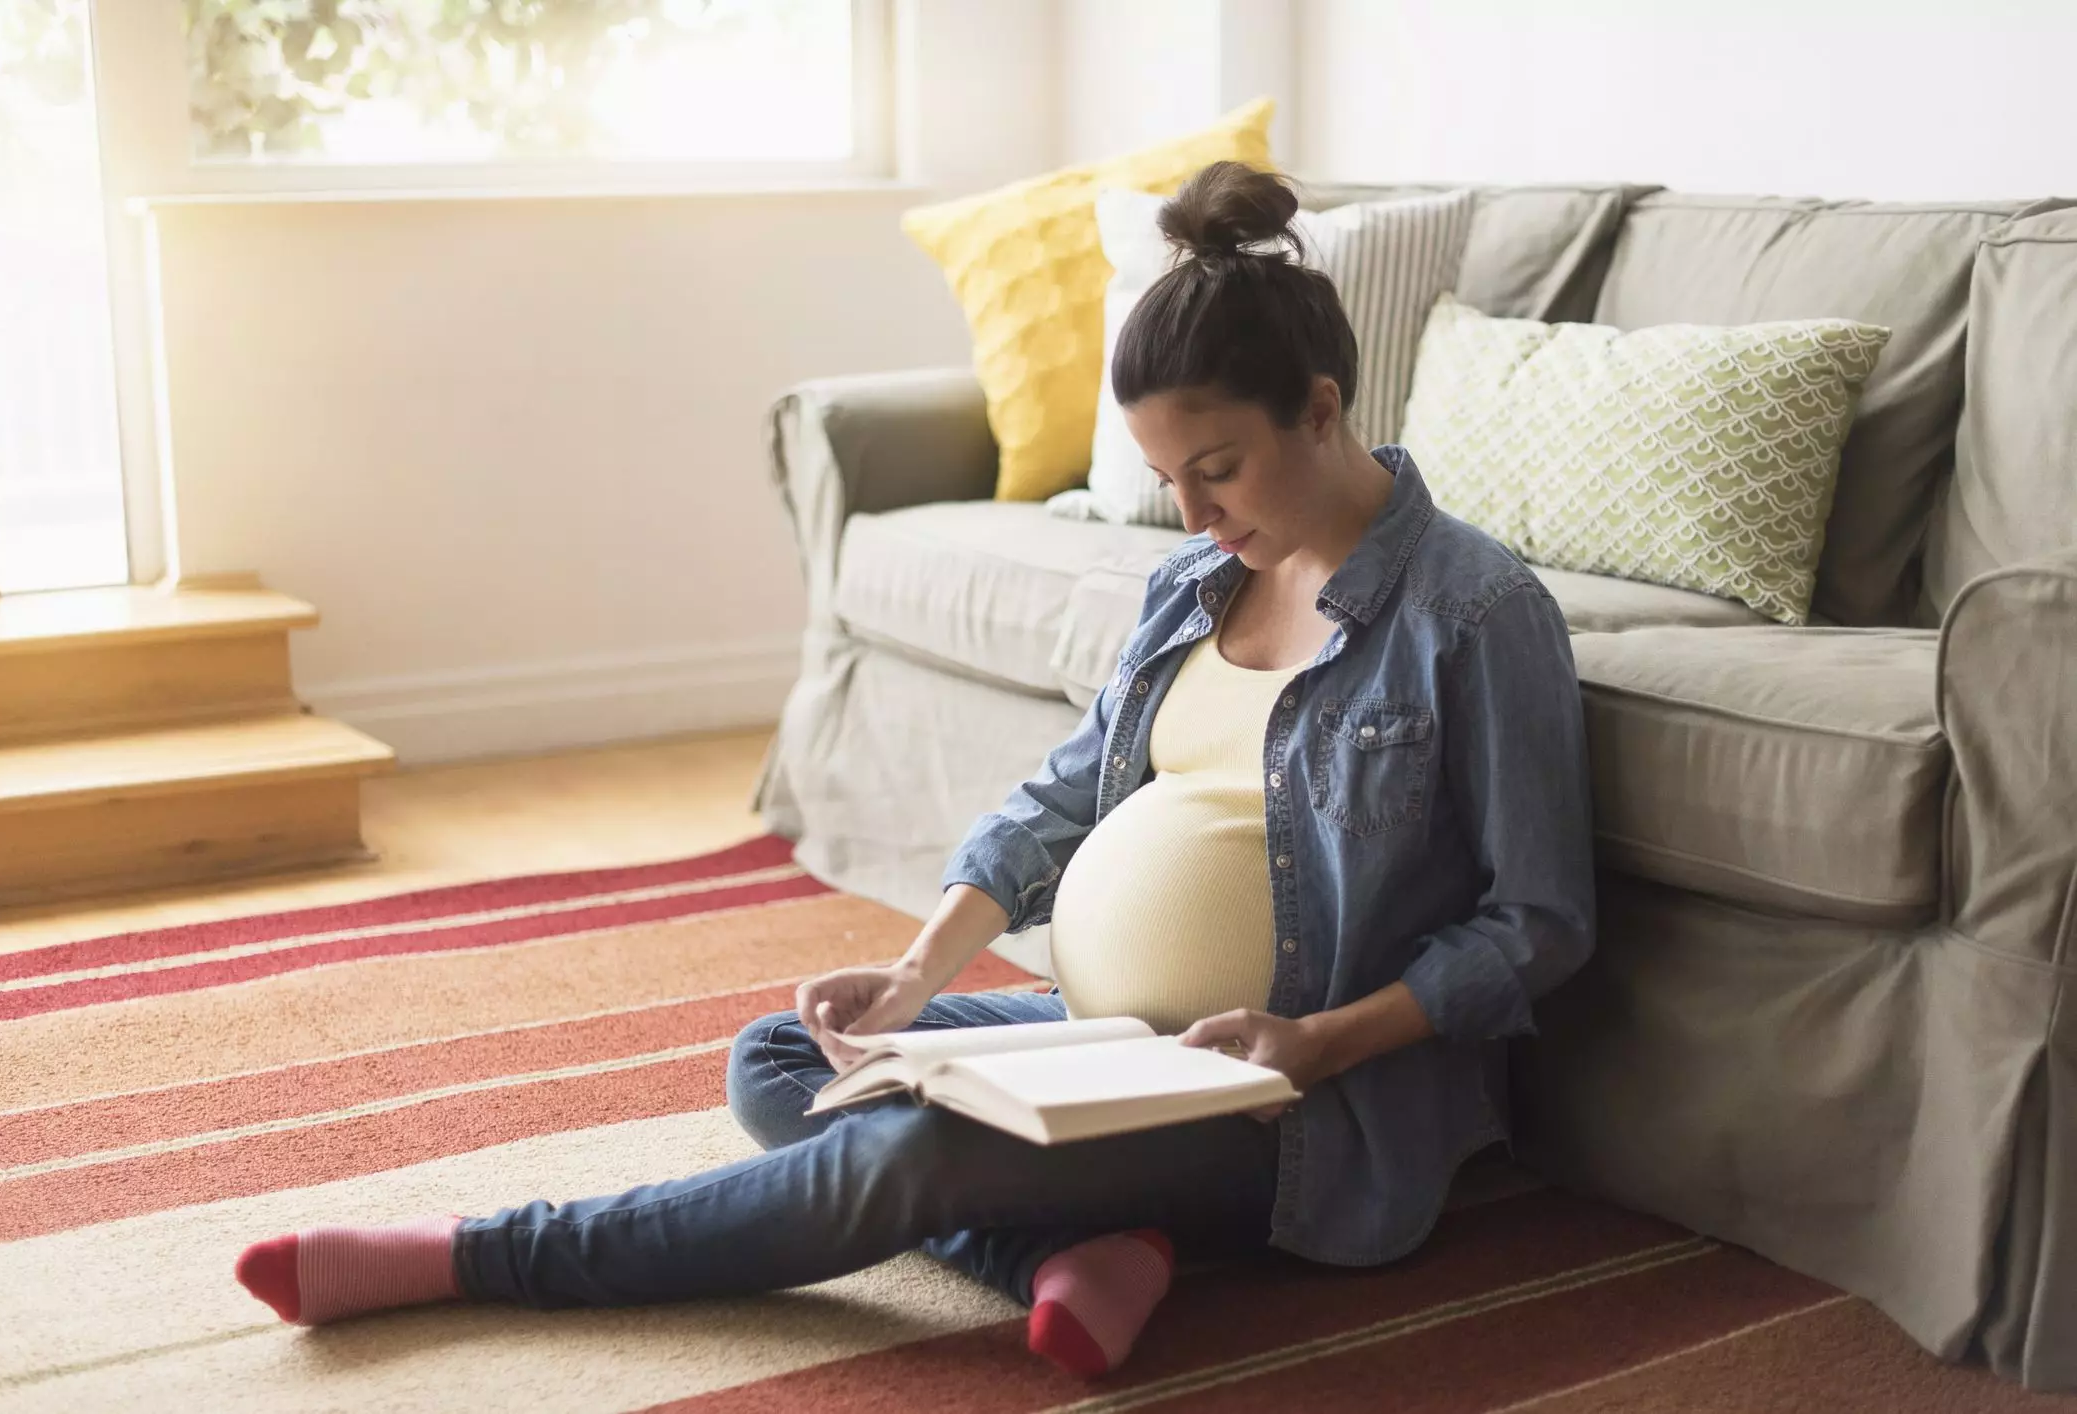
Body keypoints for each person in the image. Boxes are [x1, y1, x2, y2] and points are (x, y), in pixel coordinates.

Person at [232, 160, 1597, 1381]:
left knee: (900, 1149)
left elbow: (1533, 923)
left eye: (1218, 469)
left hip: (1291, 1098)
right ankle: (1079, 1246)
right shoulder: (1193, 582)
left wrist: (1312, 1038)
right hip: (1108, 1049)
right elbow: (1065, 795)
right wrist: (918, 973)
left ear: (1317, 407)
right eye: (1168, 477)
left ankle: (479, 1256)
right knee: (791, 1055)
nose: (1189, 514)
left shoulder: (1471, 615)